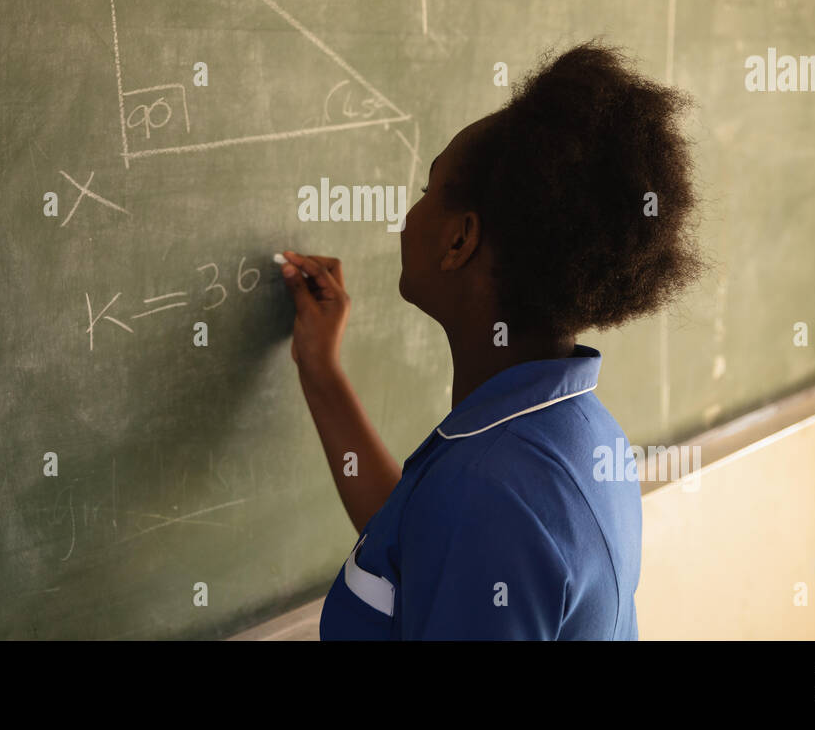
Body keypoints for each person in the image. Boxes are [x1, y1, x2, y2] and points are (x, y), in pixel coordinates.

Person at [279, 40, 706, 639]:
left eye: (429, 190)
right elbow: (422, 539)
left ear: (460, 241)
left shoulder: (492, 492)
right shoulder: (569, 431)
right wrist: (319, 370)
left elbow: (472, 527)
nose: (411, 214)